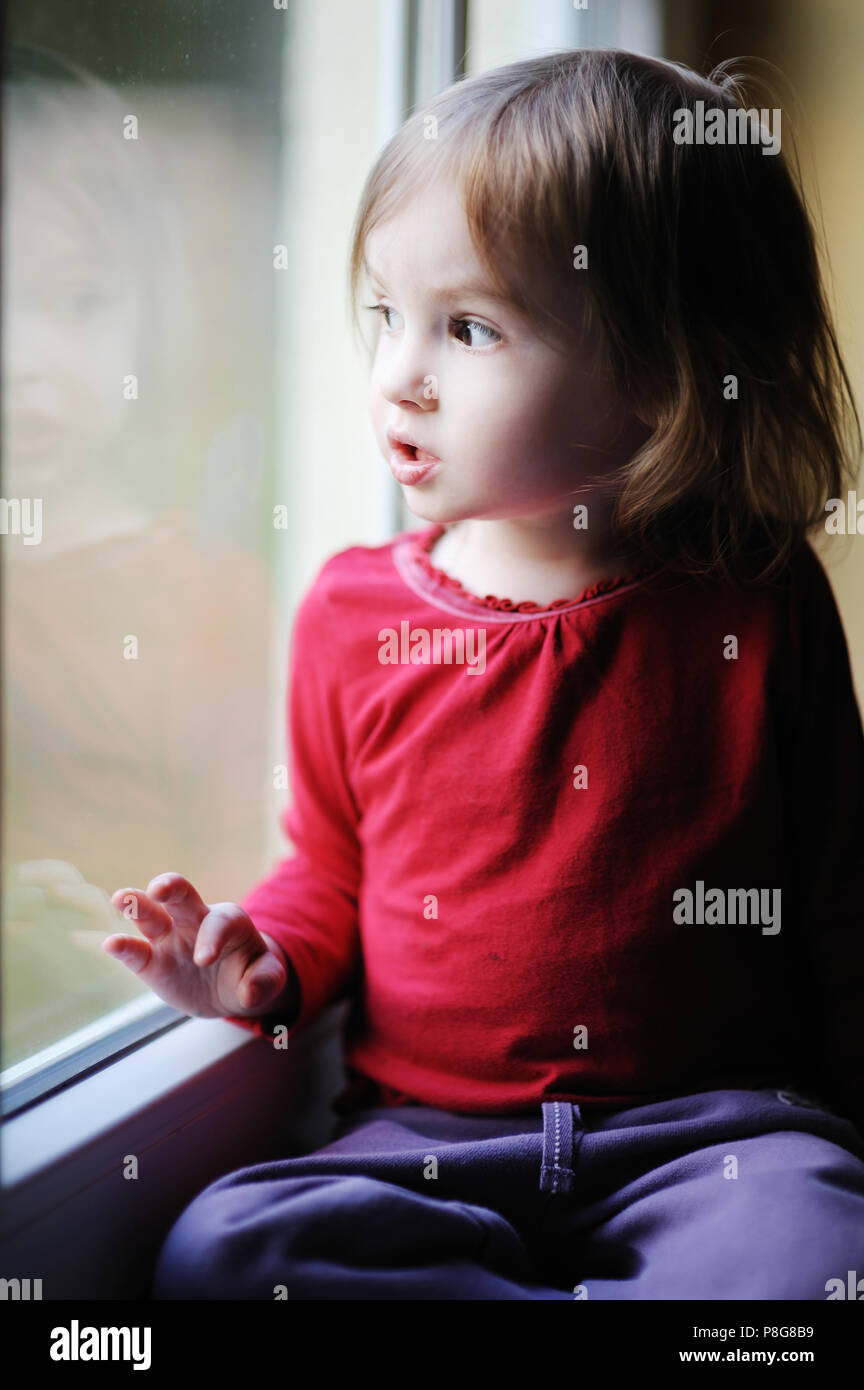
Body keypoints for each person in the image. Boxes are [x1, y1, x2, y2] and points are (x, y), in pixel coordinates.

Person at [104, 48, 864, 1300]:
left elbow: (838, 897)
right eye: (383, 317)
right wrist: (259, 966)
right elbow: (334, 870)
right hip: (427, 1147)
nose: (399, 373)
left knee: (818, 1263)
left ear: (663, 375)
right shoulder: (353, 613)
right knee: (227, 1256)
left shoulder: (757, 600)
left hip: (709, 1143)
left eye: (468, 328)